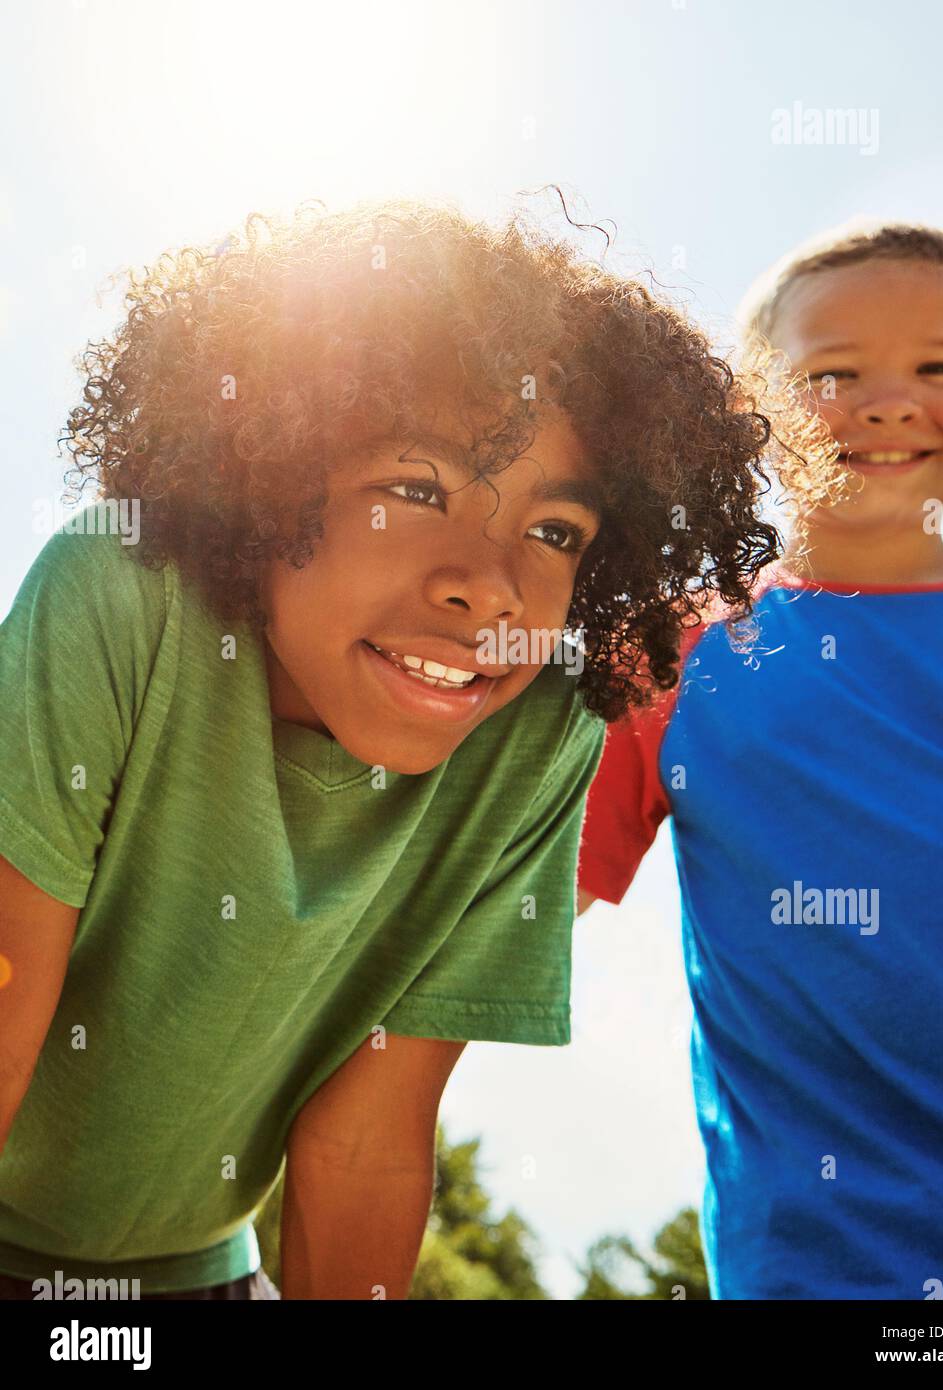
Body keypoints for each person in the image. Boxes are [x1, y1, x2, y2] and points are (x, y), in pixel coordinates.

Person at [0, 198, 831, 1299]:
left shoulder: (536, 733)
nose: (485, 583)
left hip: (186, 1275)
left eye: (553, 533)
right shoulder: (120, 597)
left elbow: (367, 1137)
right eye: (414, 490)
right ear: (271, 478)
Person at [577, 222, 943, 1300]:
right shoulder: (669, 655)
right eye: (832, 373)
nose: (889, 401)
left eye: (939, 366)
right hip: (827, 1274)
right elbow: (502, 911)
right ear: (748, 412)